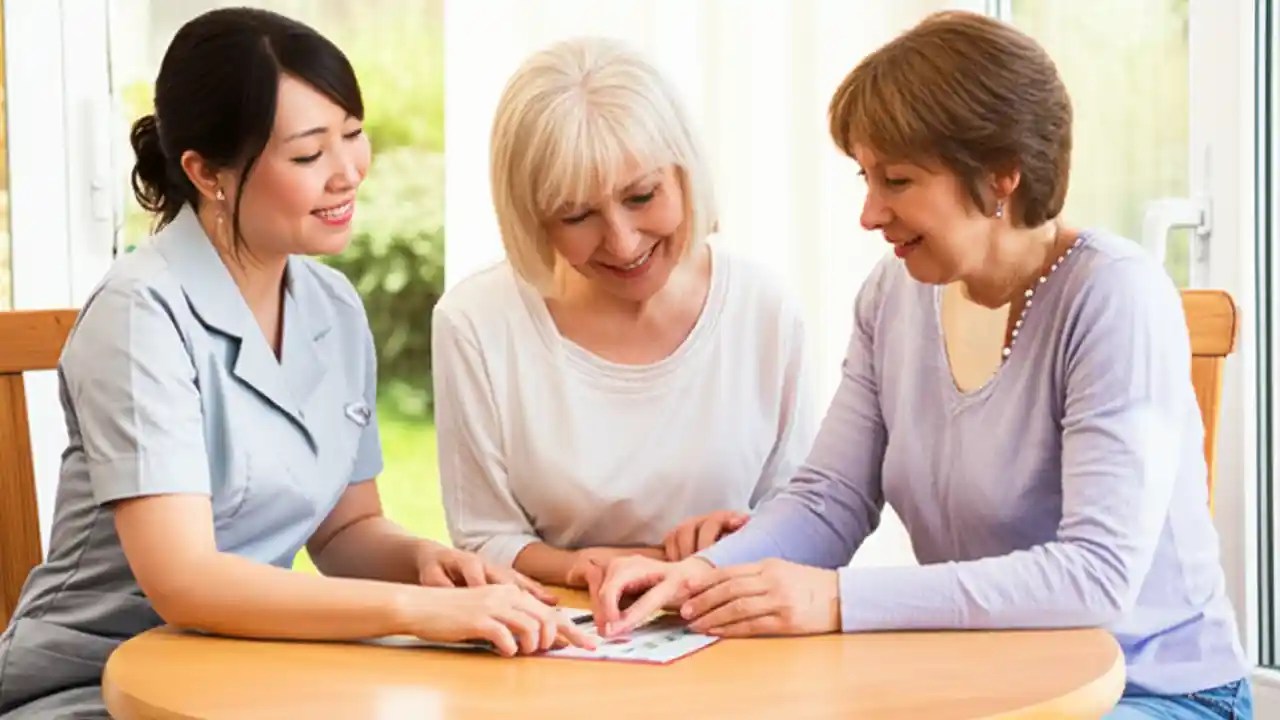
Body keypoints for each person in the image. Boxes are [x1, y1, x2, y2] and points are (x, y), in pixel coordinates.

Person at [590, 11, 1251, 719]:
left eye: (897, 180)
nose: (870, 215)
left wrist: (836, 600)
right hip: (981, 685)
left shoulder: (1113, 295)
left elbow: (1096, 576)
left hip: (1156, 694)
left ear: (1000, 176)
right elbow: (829, 500)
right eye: (864, 177)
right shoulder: (894, 294)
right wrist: (698, 576)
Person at [0, 8, 590, 718]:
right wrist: (413, 612)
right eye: (309, 155)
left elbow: (344, 531)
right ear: (206, 172)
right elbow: (184, 582)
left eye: (352, 134)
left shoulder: (330, 306)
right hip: (95, 685)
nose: (348, 173)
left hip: (249, 675)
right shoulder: (140, 313)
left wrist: (425, 566)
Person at [433, 37, 815, 590]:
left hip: (730, 625)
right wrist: (582, 567)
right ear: (532, 217)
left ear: (683, 174)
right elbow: (484, 537)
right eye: (577, 215)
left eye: (641, 197)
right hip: (562, 633)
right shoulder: (475, 323)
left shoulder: (764, 309)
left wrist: (738, 536)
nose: (622, 241)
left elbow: (802, 519)